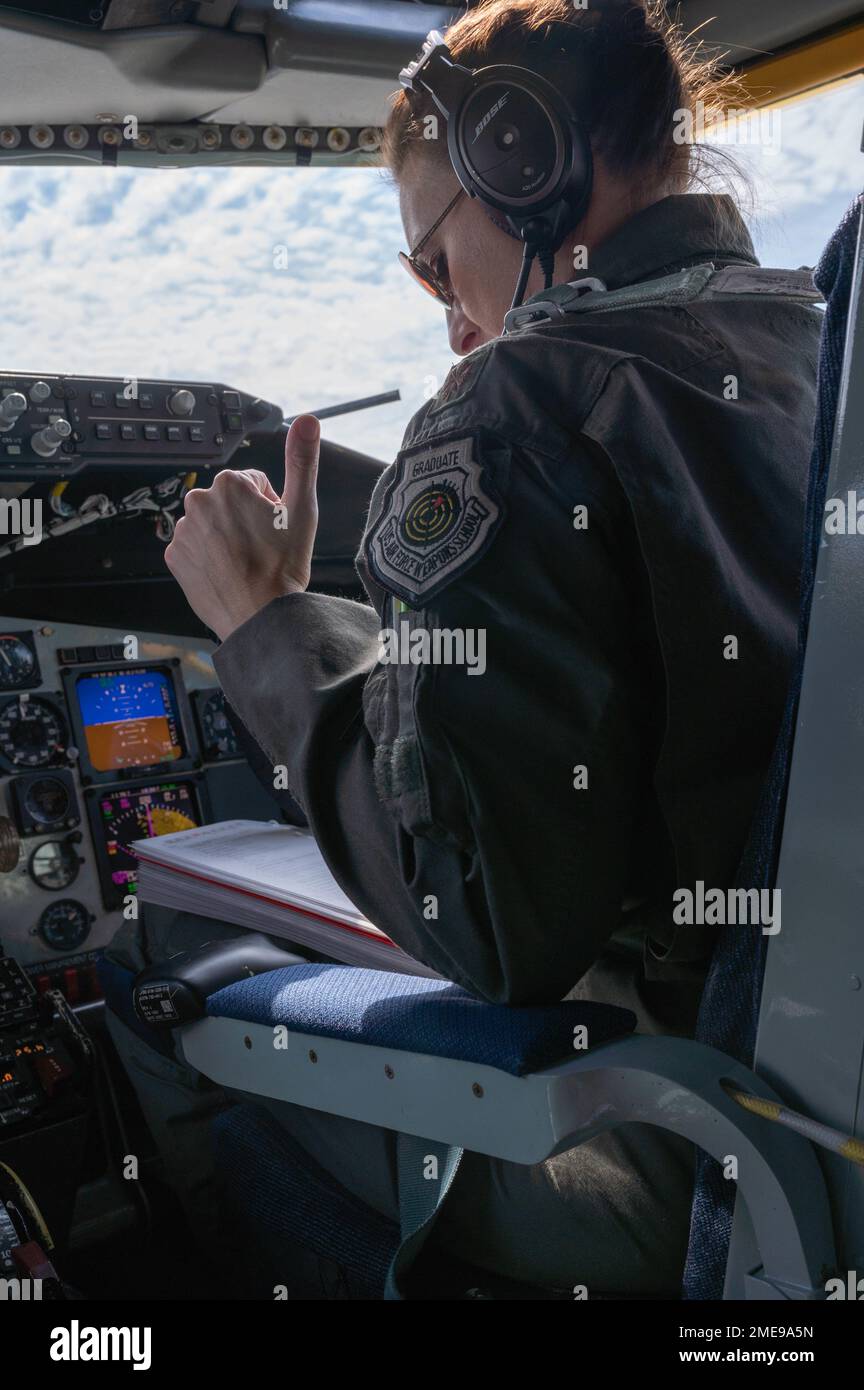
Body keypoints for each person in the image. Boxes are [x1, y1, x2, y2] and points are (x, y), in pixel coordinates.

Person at [105, 0, 822, 1296]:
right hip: (821, 1092)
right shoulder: (819, 354)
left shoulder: (515, 417)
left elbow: (488, 932)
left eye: (437, 264)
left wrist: (269, 629)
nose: (449, 324)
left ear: (524, 162)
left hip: (693, 1156)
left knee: (206, 1057)